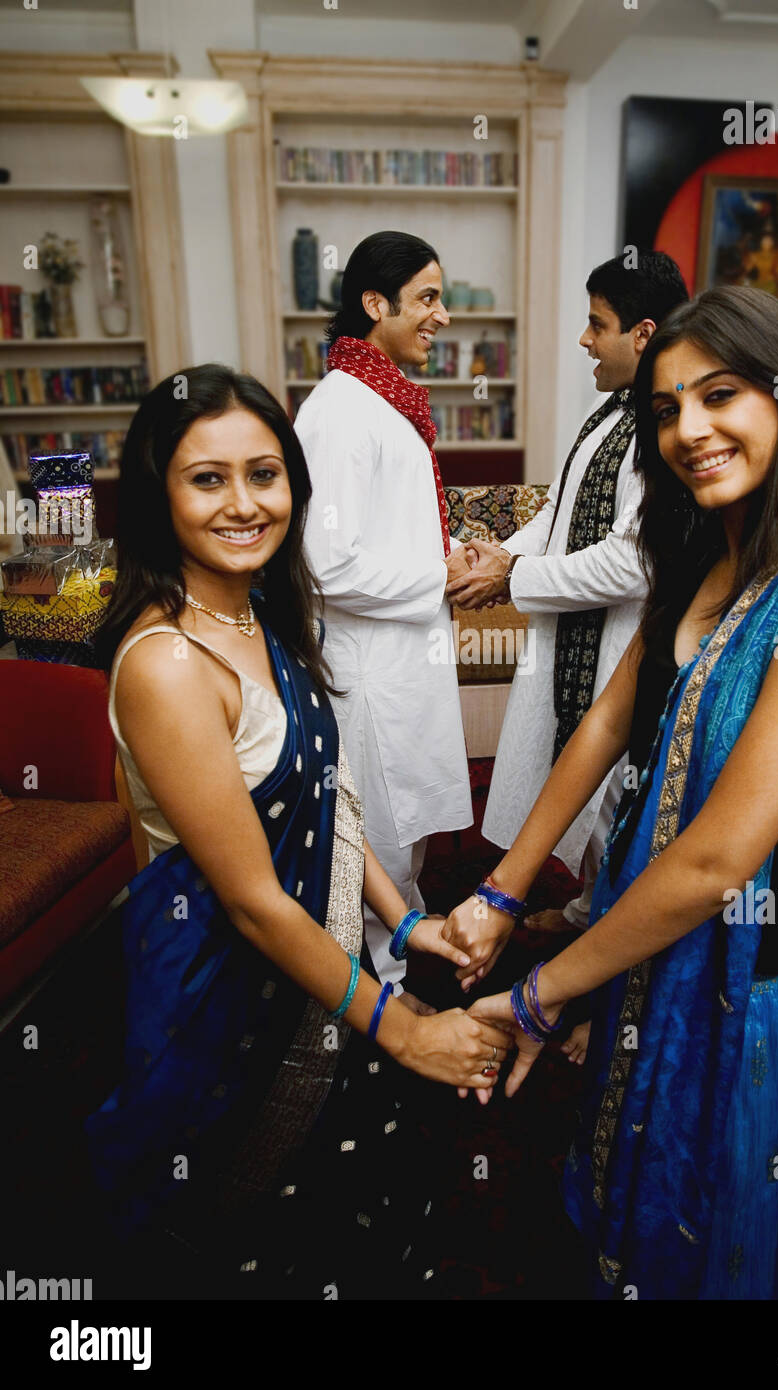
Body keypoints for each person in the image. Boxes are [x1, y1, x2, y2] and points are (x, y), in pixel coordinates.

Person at [443, 286, 778, 1299]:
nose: (688, 431)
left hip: (745, 980)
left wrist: (538, 992)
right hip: (643, 940)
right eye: (665, 409)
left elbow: (715, 862)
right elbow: (608, 723)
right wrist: (501, 890)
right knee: (631, 1196)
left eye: (720, 395)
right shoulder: (706, 549)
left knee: (713, 1233)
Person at [86, 365, 510, 1299]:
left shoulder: (260, 613)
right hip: (228, 992)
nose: (244, 504)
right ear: (158, 495)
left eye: (265, 474)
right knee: (245, 1230)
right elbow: (252, 901)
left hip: (322, 969)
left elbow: (333, 797)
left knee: (347, 1209)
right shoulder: (168, 663)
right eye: (208, 479)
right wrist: (402, 1030)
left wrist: (406, 923)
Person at [447, 251, 687, 1065]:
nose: (584, 340)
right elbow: (560, 514)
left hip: (624, 648)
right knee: (586, 798)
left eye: (596, 324)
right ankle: (586, 914)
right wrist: (501, 555)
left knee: (621, 816)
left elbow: (634, 561)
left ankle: (607, 999)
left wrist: (513, 577)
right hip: (571, 639)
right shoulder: (611, 409)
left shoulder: (663, 423)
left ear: (643, 334)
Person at [294, 231, 473, 1001]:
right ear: (376, 302)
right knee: (377, 831)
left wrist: (453, 552)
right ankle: (380, 993)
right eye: (427, 298)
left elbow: (389, 530)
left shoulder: (385, 398)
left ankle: (405, 939)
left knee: (407, 827)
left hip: (406, 655)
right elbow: (327, 563)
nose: (442, 316)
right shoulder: (340, 410)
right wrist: (441, 575)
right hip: (370, 668)